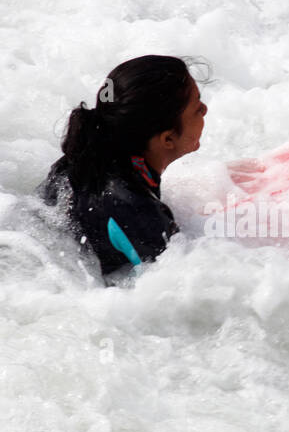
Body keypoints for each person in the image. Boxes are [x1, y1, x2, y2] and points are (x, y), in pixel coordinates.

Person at [37, 55, 207, 278]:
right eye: (197, 108)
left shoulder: (77, 161)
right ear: (167, 140)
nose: (204, 109)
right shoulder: (139, 214)